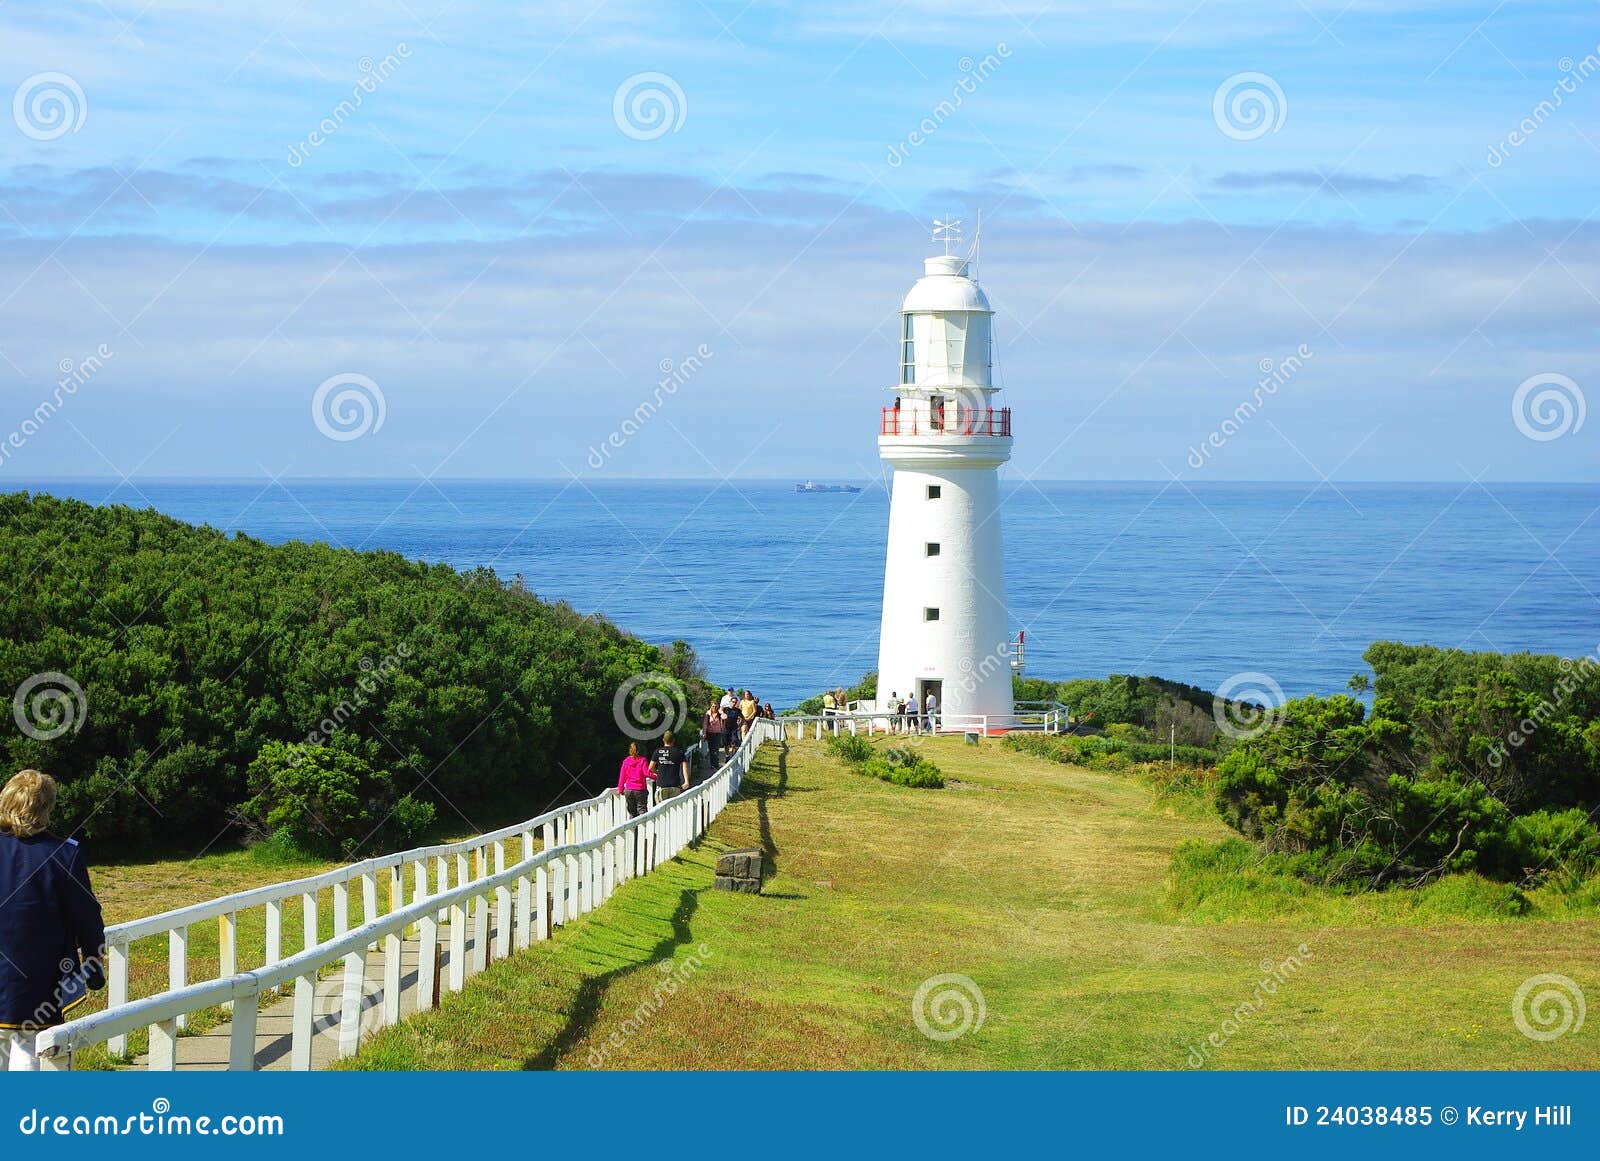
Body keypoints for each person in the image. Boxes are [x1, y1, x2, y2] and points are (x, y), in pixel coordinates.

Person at [0, 770, 106, 1071]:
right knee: (29, 1048)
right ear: (46, 808)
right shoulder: (64, 855)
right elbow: (86, 916)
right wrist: (94, 967)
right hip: (39, 979)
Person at [650, 730, 690, 802]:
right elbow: (685, 767)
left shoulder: (657, 752)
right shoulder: (679, 752)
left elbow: (650, 768)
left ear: (663, 740)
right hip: (675, 785)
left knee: (661, 811)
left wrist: (658, 773)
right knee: (674, 810)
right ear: (673, 740)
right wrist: (686, 781)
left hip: (661, 785)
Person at [616, 743, 652, 818]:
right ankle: (643, 829)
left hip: (628, 790)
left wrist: (620, 789)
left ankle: (633, 829)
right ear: (638, 751)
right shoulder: (642, 760)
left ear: (630, 750)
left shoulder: (626, 761)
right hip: (640, 789)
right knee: (642, 811)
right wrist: (656, 776)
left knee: (632, 813)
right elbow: (646, 773)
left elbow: (622, 777)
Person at [702, 701, 724, 768]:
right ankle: (712, 764)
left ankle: (716, 764)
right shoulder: (707, 714)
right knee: (711, 749)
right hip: (710, 733)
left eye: (715, 706)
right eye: (713, 706)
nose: (714, 707)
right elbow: (705, 724)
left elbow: (724, 718)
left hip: (718, 733)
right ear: (710, 707)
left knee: (716, 749)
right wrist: (704, 733)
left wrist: (722, 712)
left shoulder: (719, 714)